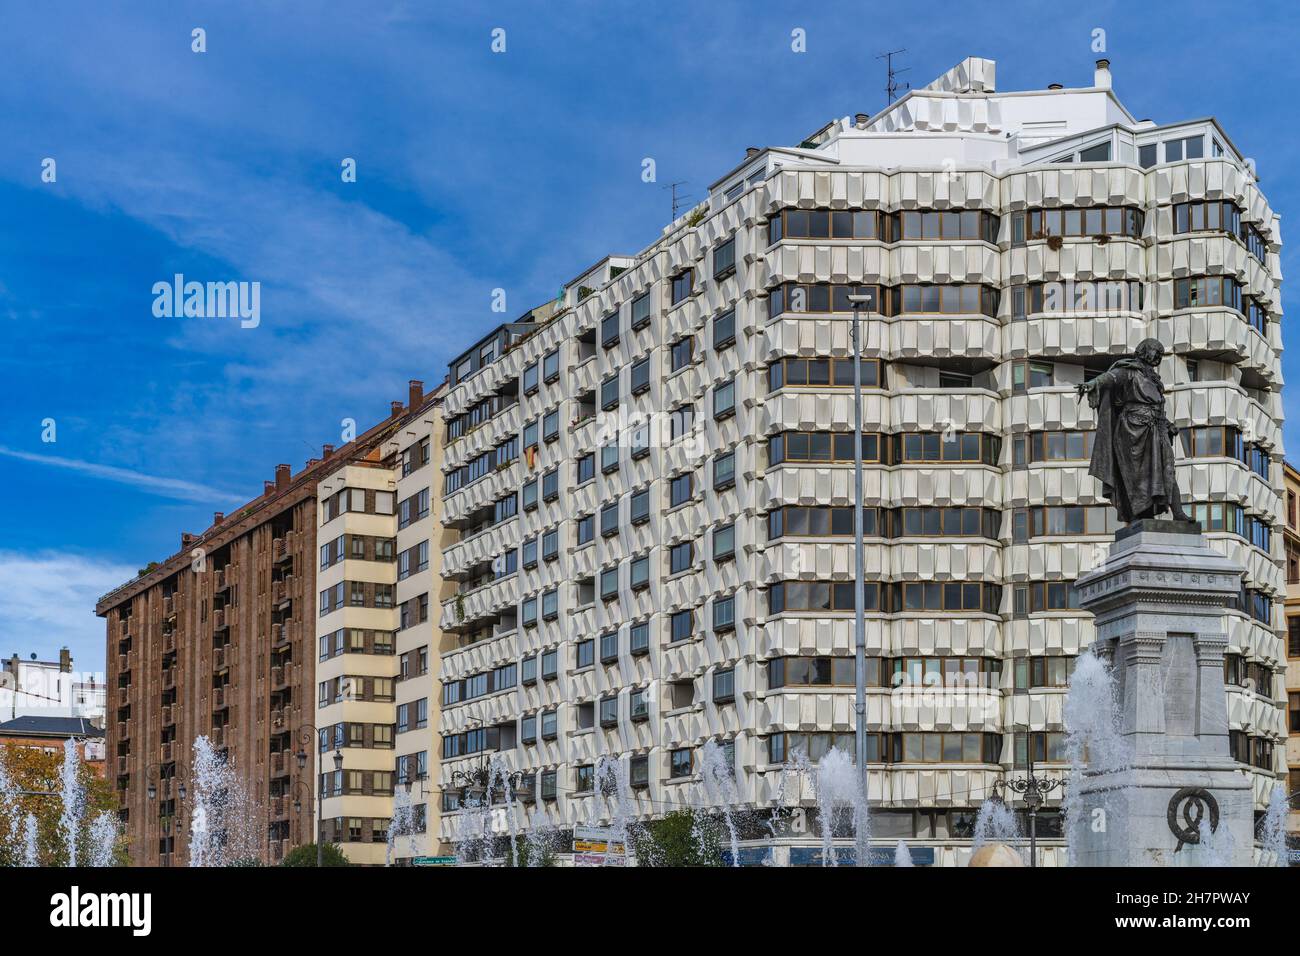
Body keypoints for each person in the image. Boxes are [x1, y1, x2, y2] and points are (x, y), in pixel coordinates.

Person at [1075, 338, 1191, 524]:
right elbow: (1111, 378)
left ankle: (1178, 512)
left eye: (1161, 354)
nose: (1159, 356)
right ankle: (1139, 514)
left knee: (1167, 469)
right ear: (1145, 351)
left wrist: (1168, 424)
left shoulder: (1153, 379)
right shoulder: (1129, 370)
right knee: (1137, 475)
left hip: (1156, 429)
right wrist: (1092, 384)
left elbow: (1155, 406)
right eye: (1156, 351)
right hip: (1132, 431)